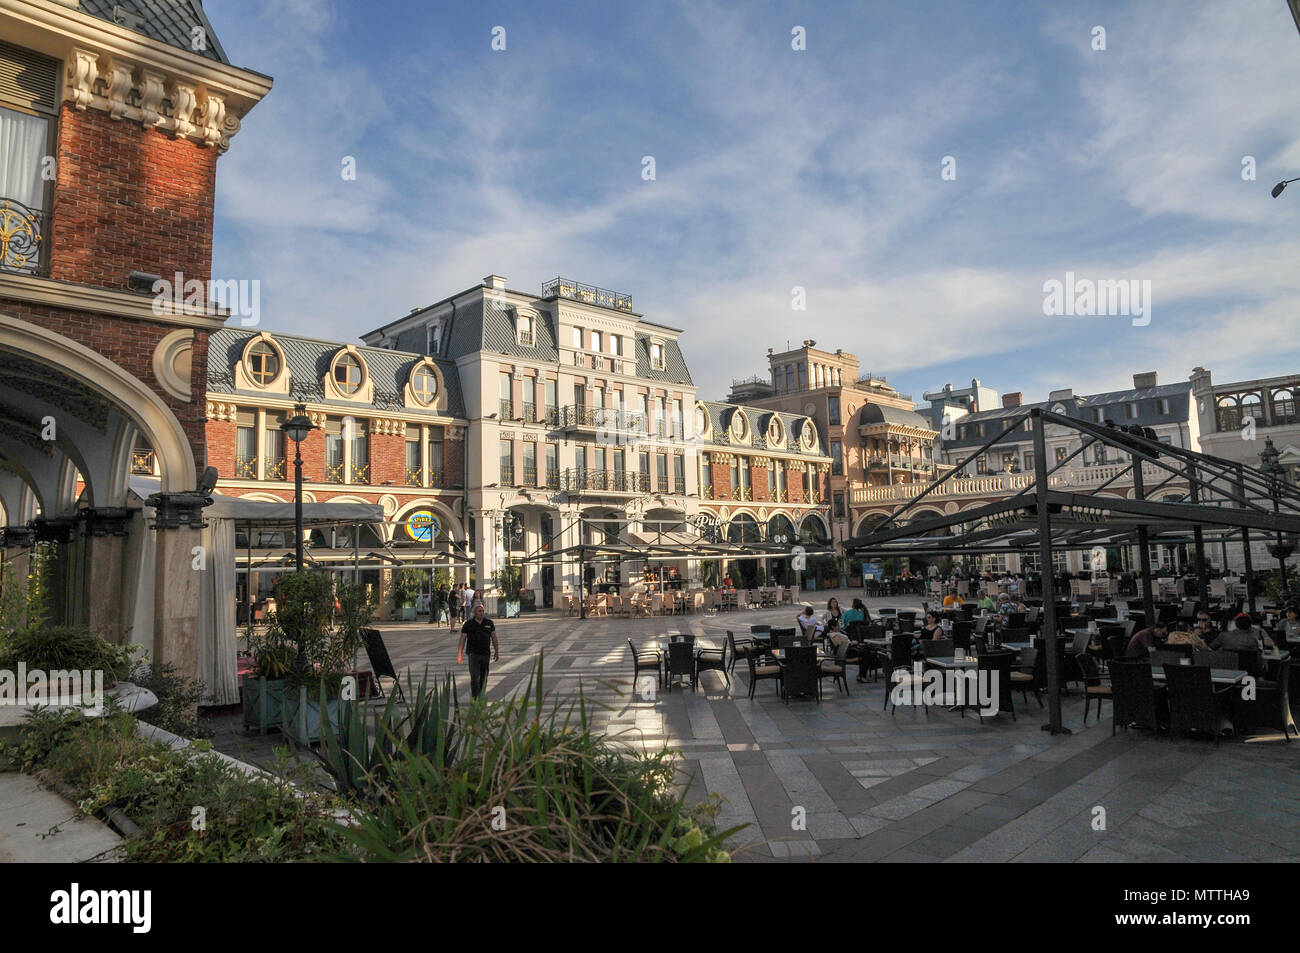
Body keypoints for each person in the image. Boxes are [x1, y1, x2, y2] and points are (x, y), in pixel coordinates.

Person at [458, 601, 499, 699]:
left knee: (484, 678)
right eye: (479, 611)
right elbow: (462, 639)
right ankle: (475, 698)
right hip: (473, 654)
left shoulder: (489, 623)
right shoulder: (468, 624)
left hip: (485, 654)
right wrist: (459, 654)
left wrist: (496, 651)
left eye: (482, 611)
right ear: (474, 612)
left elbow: (494, 637)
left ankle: (481, 695)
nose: (481, 613)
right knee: (475, 677)